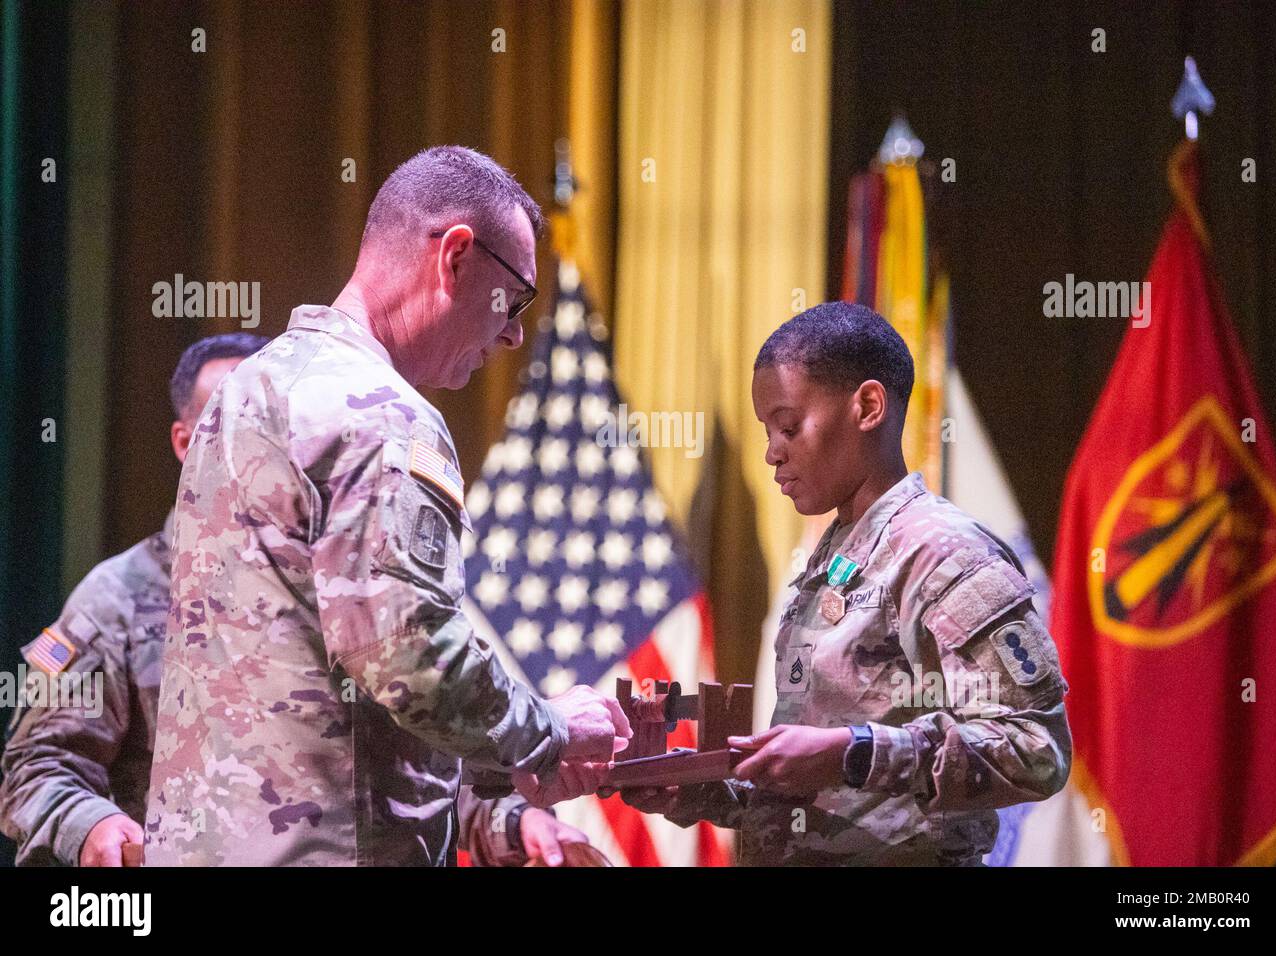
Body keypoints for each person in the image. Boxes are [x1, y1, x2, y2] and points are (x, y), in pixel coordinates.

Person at [144, 146, 630, 866]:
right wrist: (548, 728)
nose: (514, 334)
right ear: (456, 256)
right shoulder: (382, 415)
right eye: (516, 298)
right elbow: (409, 656)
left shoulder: (248, 389)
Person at [624, 301, 1071, 865]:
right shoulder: (830, 558)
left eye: (788, 426)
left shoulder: (945, 554)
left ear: (867, 406)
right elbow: (827, 797)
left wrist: (854, 753)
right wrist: (701, 787)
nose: (771, 453)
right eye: (767, 431)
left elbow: (1036, 750)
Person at [0, 334, 266, 865]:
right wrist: (92, 822)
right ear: (185, 442)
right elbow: (36, 766)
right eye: (229, 421)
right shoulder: (115, 598)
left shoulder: (334, 588)